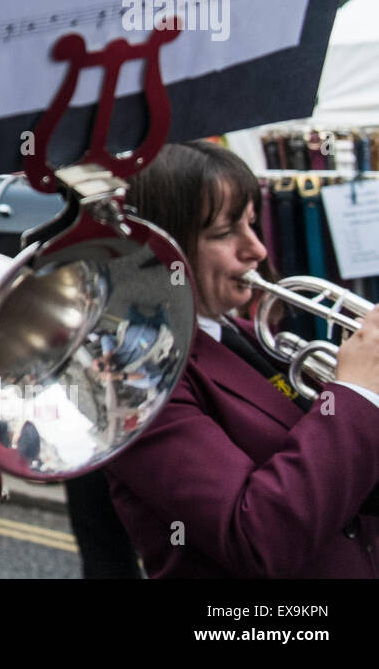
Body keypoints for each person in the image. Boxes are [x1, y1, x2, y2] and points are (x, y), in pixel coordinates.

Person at [103, 141, 379, 577]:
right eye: (224, 233)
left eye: (252, 224)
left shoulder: (251, 336)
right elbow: (258, 537)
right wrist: (356, 394)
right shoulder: (135, 379)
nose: (258, 250)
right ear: (160, 249)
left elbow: (347, 482)